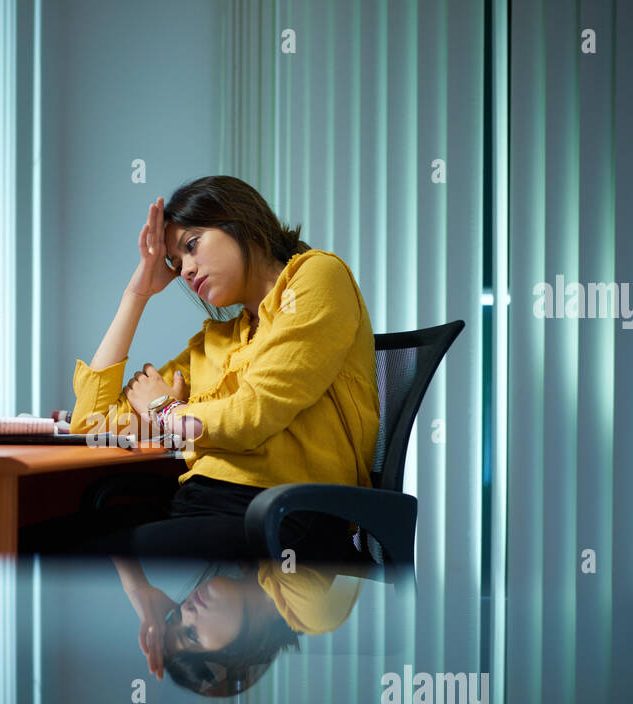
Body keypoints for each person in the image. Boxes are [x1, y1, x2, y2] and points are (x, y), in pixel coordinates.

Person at [19, 174, 380, 561]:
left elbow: (252, 416)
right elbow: (90, 424)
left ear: (237, 220)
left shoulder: (317, 276)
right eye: (176, 264)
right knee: (26, 545)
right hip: (202, 504)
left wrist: (164, 411)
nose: (186, 271)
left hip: (285, 517)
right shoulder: (216, 340)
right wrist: (136, 294)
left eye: (192, 246)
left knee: (69, 560)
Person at [114, 555, 364, 697]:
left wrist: (137, 588)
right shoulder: (313, 605)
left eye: (176, 616)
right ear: (231, 654)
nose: (186, 610)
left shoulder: (249, 558)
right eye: (191, 634)